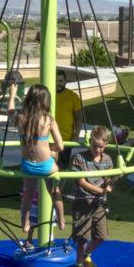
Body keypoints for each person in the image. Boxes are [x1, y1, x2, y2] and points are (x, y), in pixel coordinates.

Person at [12, 83, 64, 235]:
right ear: (46, 101)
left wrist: (12, 93)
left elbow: (9, 111)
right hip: (46, 166)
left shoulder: (21, 118)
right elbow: (60, 146)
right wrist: (51, 151)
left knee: (27, 193)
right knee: (55, 190)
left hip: (28, 165)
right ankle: (61, 219)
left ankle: (25, 222)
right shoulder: (49, 120)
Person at [70, 125, 114, 267]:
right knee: (82, 237)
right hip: (83, 202)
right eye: (94, 146)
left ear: (106, 145)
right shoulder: (79, 158)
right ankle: (78, 266)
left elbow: (108, 180)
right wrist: (100, 191)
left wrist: (109, 185)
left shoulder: (107, 160)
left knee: (101, 236)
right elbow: (81, 182)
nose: (97, 149)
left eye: (100, 147)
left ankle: (86, 257)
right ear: (89, 142)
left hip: (99, 203)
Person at [52, 70, 82, 231]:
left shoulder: (72, 97)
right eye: (56, 80)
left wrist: (76, 135)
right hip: (48, 140)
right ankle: (49, 194)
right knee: (49, 168)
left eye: (61, 80)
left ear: (65, 81)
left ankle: (58, 193)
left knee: (62, 169)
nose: (58, 83)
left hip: (65, 140)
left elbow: (78, 117)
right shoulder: (48, 95)